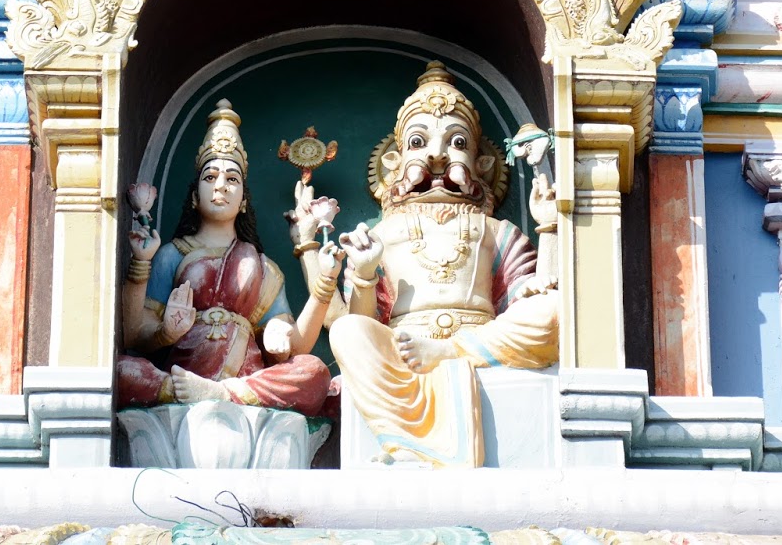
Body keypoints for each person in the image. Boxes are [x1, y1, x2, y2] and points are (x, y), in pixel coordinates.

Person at [329, 62, 559, 467]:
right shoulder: (380, 232)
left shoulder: (495, 231)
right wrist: (364, 274)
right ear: (394, 164)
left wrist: (549, 225)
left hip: (481, 339)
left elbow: (538, 293)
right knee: (348, 331)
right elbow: (368, 319)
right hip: (402, 348)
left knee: (554, 311)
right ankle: (406, 445)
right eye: (418, 143)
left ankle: (448, 351)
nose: (436, 155)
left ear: (482, 162)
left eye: (455, 143)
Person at [116, 99, 334, 414]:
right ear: (195, 195)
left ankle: (220, 392)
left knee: (313, 372)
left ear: (243, 199)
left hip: (246, 379)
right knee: (121, 371)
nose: (221, 186)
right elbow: (134, 334)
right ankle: (176, 390)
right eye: (210, 177)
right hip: (180, 373)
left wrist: (323, 285)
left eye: (232, 179)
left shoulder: (262, 267)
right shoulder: (172, 255)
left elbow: (293, 347)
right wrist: (166, 330)